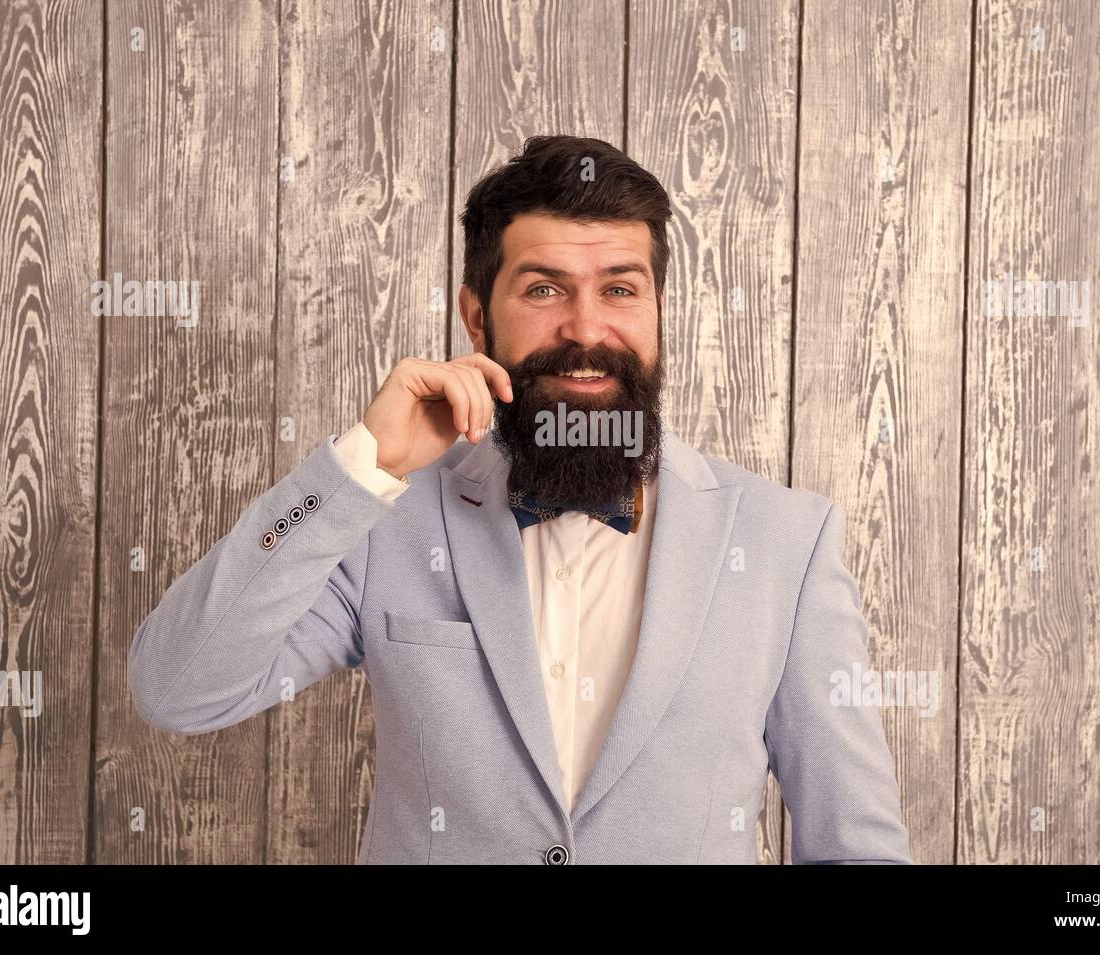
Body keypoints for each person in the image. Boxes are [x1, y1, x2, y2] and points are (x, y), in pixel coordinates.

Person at [128, 134, 913, 865]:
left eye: (620, 288)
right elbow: (179, 687)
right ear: (478, 317)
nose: (586, 328)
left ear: (658, 312)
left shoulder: (785, 542)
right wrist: (358, 466)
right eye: (544, 288)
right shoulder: (380, 516)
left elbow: (856, 846)